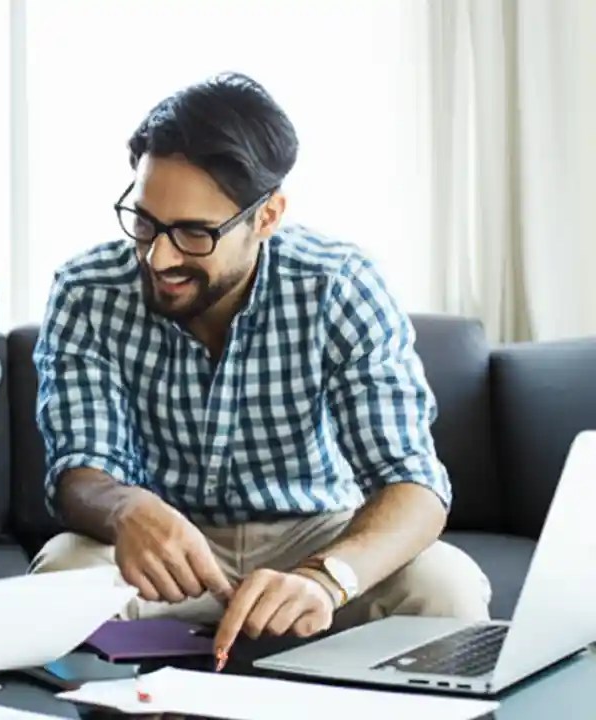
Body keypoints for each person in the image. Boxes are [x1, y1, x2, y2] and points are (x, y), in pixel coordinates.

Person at [28, 72, 491, 662]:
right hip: (165, 549)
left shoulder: (338, 285)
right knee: (60, 576)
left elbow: (414, 484)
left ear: (267, 216)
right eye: (145, 222)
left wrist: (326, 577)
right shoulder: (88, 290)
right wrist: (124, 508)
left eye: (194, 233)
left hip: (318, 535)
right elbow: (80, 468)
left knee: (445, 586)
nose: (158, 257)